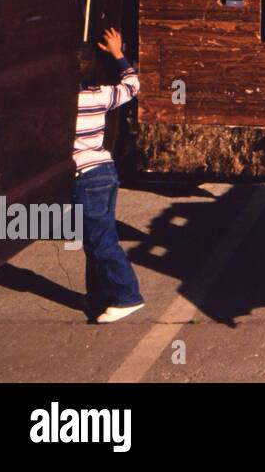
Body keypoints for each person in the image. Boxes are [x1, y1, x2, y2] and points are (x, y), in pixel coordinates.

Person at [75, 27, 145, 324]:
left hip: (86, 177)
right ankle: (101, 296)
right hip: (105, 171)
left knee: (100, 241)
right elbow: (132, 85)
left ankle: (127, 296)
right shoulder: (101, 96)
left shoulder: (65, 105)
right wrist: (118, 53)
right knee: (97, 239)